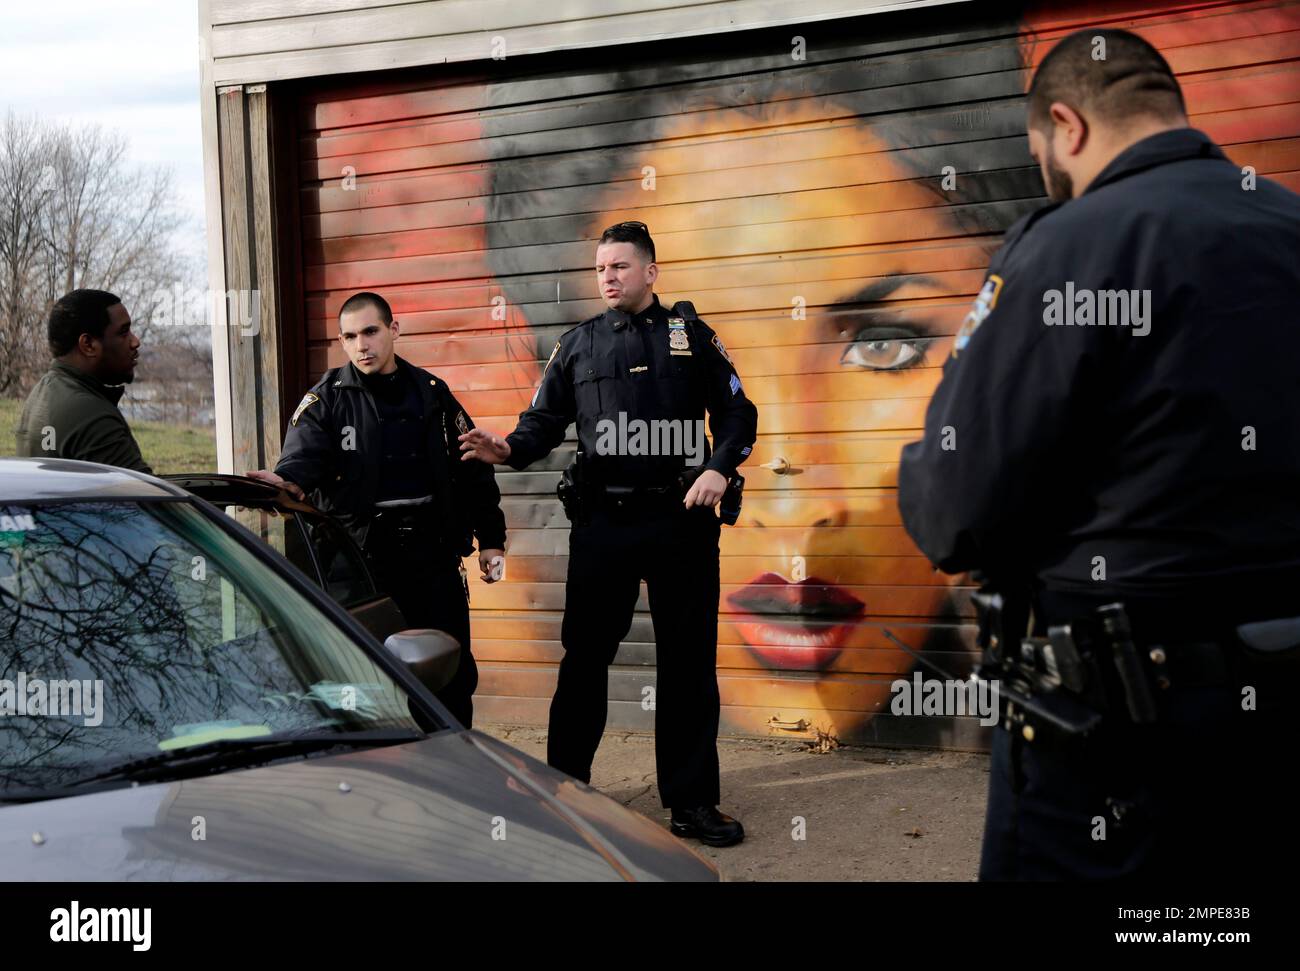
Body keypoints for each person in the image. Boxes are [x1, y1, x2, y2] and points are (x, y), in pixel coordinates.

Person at [897, 28, 1300, 879]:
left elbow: (956, 509)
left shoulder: (1072, 244)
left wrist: (918, 469)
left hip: (1123, 734)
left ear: (1066, 125)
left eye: (1040, 150)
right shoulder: (1287, 221)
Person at [460, 221, 758, 846]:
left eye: (621, 266)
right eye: (601, 268)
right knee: (585, 658)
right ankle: (566, 793)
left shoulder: (692, 337)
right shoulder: (577, 345)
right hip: (605, 525)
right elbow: (542, 421)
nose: (609, 276)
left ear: (651, 272)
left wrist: (717, 467)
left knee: (688, 663)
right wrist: (507, 446)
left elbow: (738, 412)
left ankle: (691, 803)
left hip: (682, 522)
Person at [249, 291, 506, 728]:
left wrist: (491, 540)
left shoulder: (431, 393)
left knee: (450, 671)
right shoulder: (327, 399)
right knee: (364, 678)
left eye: (370, 332)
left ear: (393, 330)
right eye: (349, 336)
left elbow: (472, 469)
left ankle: (453, 768)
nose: (361, 345)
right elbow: (303, 457)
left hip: (431, 556)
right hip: (362, 563)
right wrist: (287, 479)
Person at [16, 289, 150, 473]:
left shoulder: (43, 392)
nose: (135, 342)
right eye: (123, 332)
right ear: (88, 345)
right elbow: (146, 499)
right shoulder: (92, 415)